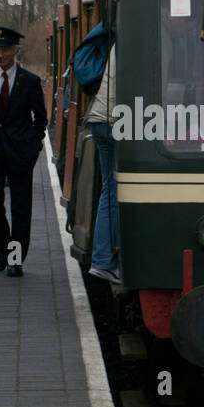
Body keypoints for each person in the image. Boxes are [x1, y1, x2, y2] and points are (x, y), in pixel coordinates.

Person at [0, 26, 47, 277]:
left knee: (20, 209)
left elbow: (41, 119)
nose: (1, 55)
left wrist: (33, 145)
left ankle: (15, 259)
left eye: (5, 50)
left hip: (20, 154)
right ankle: (1, 247)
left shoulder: (30, 82)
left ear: (15, 51)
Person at [84, 43, 119, 282]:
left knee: (111, 189)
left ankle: (103, 259)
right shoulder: (158, 33)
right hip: (114, 119)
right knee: (116, 190)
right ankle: (104, 260)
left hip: (102, 117)